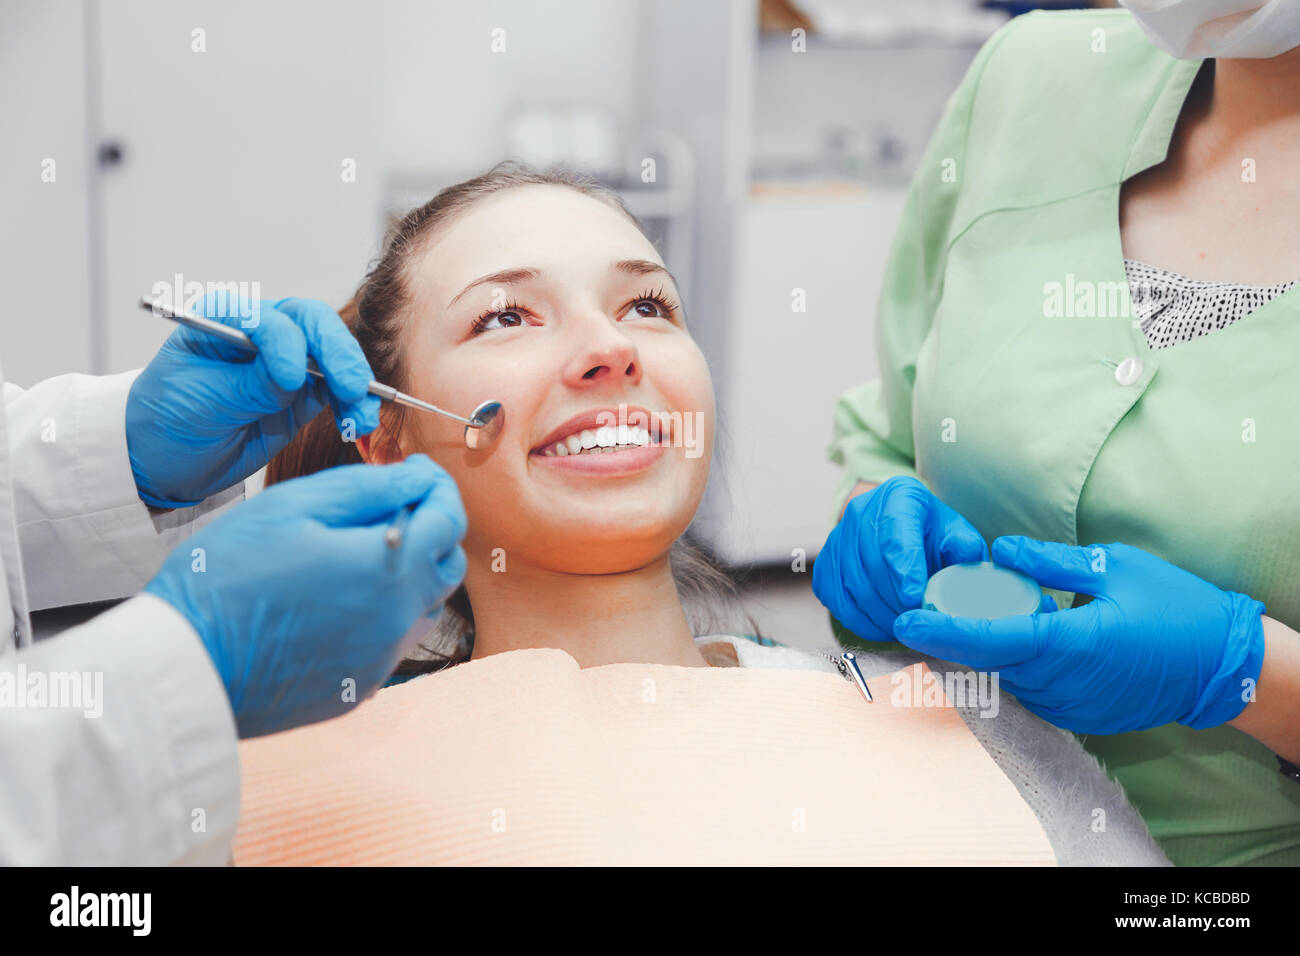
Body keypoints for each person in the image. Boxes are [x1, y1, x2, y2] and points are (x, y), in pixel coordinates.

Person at [232, 163, 1169, 865]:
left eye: (646, 304)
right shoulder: (282, 778)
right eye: (508, 317)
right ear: (386, 435)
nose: (608, 348)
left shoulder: (952, 714)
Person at [812, 3, 1300, 865]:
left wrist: (1242, 667)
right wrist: (882, 516)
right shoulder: (1031, 78)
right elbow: (889, 434)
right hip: (936, 822)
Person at [1, 296, 467, 864]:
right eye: (507, 316)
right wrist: (187, 664)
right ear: (390, 449)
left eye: (615, 310)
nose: (609, 352)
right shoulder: (298, 783)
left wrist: (116, 448)